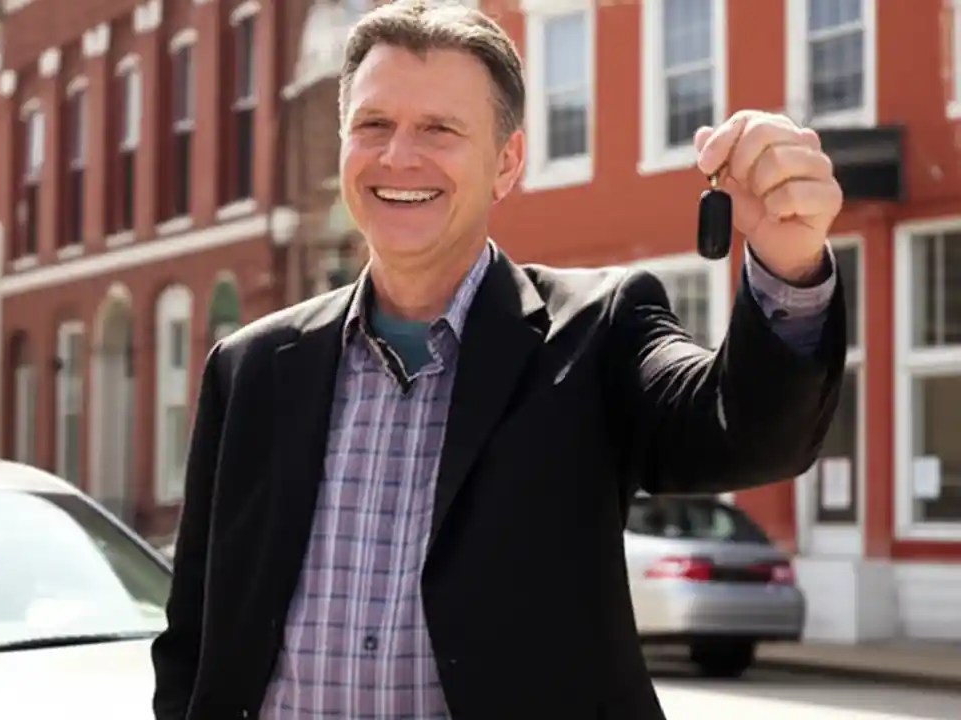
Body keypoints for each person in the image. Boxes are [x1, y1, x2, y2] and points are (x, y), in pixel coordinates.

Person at [151, 1, 847, 717]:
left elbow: (748, 433)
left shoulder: (598, 330)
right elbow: (194, 643)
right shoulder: (250, 369)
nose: (398, 157)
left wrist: (788, 265)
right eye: (374, 125)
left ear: (506, 162)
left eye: (440, 130)